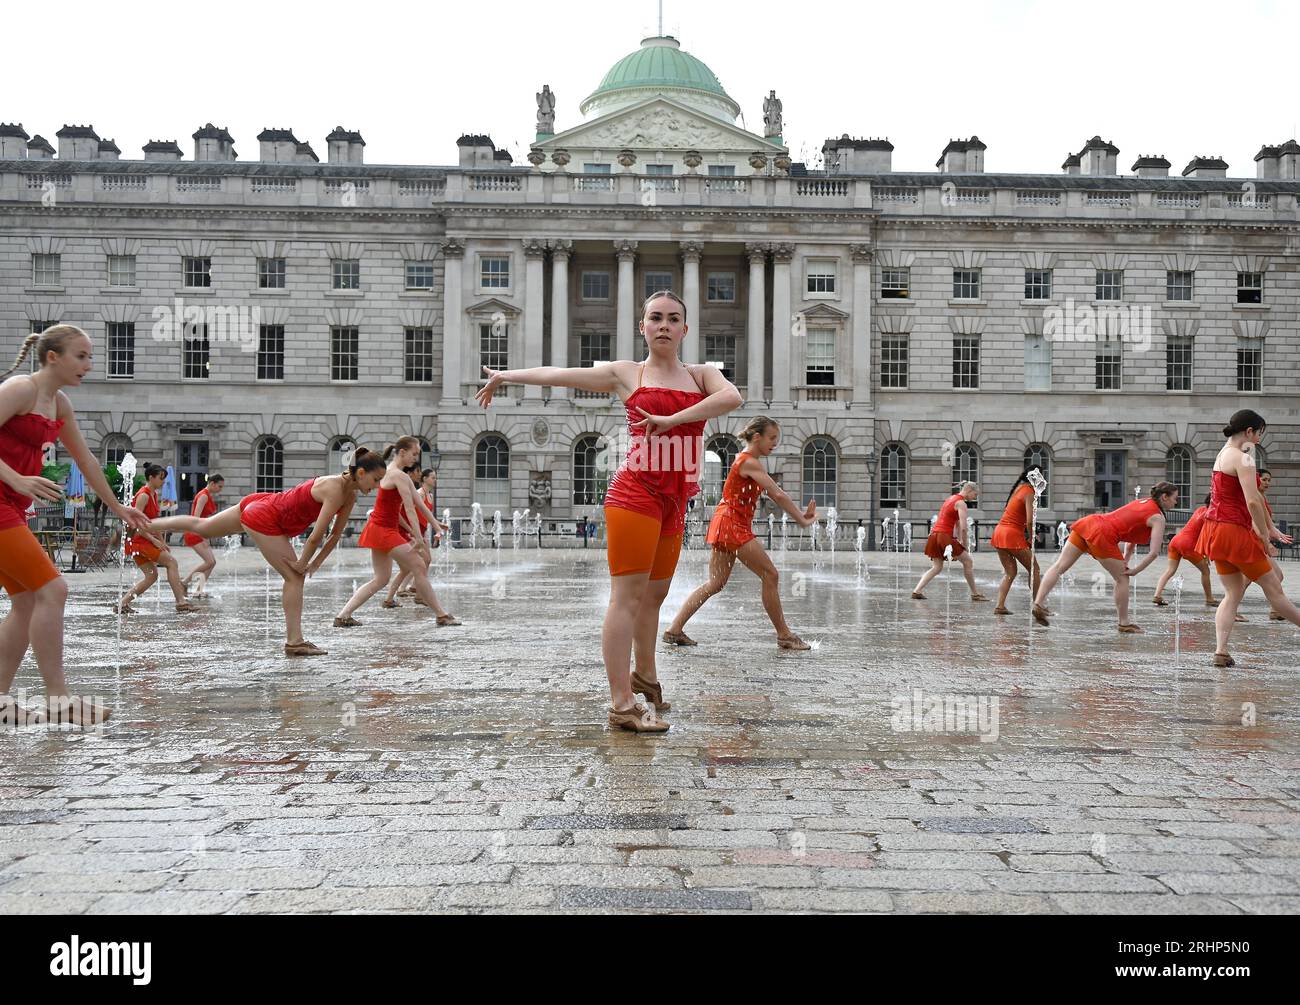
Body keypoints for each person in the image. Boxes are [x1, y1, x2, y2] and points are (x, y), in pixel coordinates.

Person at [475, 290, 743, 732]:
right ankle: (621, 703)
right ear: (642, 327)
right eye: (655, 318)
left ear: (684, 329)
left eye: (673, 319)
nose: (663, 325)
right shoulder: (626, 373)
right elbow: (561, 375)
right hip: (634, 493)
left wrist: (672, 422)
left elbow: (732, 398)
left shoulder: (701, 376)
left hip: (676, 498)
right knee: (626, 599)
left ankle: (646, 676)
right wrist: (506, 376)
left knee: (654, 598)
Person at [0, 324, 151, 724]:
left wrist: (121, 508)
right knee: (54, 587)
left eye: (89, 356)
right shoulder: (20, 389)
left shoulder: (59, 403)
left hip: (12, 505)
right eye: (81, 356)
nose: (88, 364)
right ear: (53, 357)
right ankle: (58, 699)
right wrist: (15, 478)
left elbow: (85, 460)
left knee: (27, 599)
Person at [150, 450, 386, 655]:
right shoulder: (334, 488)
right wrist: (303, 563)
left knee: (203, 526)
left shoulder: (349, 495)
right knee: (294, 577)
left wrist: (314, 564)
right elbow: (316, 536)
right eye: (375, 480)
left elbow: (334, 535)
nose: (376, 488)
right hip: (266, 516)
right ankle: (294, 642)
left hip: (265, 505)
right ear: (361, 473)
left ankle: (146, 525)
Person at [663, 416, 817, 651]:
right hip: (733, 524)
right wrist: (801, 518)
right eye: (772, 438)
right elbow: (777, 494)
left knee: (715, 583)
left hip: (725, 522)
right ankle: (784, 635)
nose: (775, 443)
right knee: (770, 575)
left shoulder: (747, 461)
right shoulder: (749, 461)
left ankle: (674, 629)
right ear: (757, 437)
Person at [1194, 410, 1300, 666]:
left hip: (1214, 530)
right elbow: (1253, 500)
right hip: (1234, 531)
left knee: (1232, 593)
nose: (1260, 440)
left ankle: (1220, 651)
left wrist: (1271, 528)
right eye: (1260, 433)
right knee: (1275, 588)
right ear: (1249, 432)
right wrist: (1264, 536)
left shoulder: (1222, 454)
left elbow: (1251, 499)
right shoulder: (1244, 459)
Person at [334, 438, 459, 627]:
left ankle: (343, 616)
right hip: (384, 530)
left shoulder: (396, 474)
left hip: (380, 529)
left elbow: (419, 505)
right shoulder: (397, 475)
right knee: (418, 565)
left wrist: (436, 524)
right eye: (414, 453)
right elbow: (409, 508)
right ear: (402, 452)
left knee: (381, 579)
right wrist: (418, 537)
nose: (416, 457)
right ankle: (441, 615)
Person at [1033, 482, 1179, 633]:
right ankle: (1124, 623)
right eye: (1175, 498)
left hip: (1090, 522)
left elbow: (1132, 539)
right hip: (1103, 533)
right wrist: (1134, 570)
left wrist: (1126, 561)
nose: (1176, 502)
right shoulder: (1158, 518)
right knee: (1123, 579)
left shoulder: (1143, 502)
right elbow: (1154, 552)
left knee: (1059, 566)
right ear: (1164, 497)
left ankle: (1038, 603)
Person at [114, 462, 201, 615]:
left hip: (141, 541)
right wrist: (154, 540)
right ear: (151, 477)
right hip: (140, 541)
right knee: (172, 563)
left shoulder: (153, 494)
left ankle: (122, 604)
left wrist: (162, 541)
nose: (163, 481)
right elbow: (135, 524)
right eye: (161, 478)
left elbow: (154, 522)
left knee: (151, 576)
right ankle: (181, 602)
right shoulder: (143, 495)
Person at [911, 482, 988, 602]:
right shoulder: (961, 503)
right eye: (975, 494)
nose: (975, 497)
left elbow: (956, 524)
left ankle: (917, 590)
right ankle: (975, 594)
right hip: (943, 536)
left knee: (937, 567)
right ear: (969, 490)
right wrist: (965, 544)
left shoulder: (951, 499)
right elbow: (963, 527)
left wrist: (959, 540)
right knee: (968, 561)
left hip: (934, 535)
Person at [990, 467, 1045, 615]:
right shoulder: (1030, 493)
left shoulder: (1019, 488)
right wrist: (1033, 536)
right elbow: (1029, 521)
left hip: (999, 532)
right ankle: (1038, 606)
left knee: (1010, 572)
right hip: (1011, 535)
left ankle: (1000, 606)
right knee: (1035, 569)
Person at [1151, 495, 1220, 608]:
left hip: (1175, 541)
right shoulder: (1210, 515)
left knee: (1170, 570)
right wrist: (1205, 553)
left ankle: (1157, 595)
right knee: (1206, 571)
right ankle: (1209, 599)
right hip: (1187, 544)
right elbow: (1206, 535)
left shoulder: (1200, 509)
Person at [1258, 469, 1293, 621]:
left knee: (1276, 576)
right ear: (1256, 479)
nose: (1267, 483)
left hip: (1259, 542)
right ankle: (1276, 610)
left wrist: (1277, 534)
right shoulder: (1254, 497)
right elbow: (1253, 522)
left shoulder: (1261, 497)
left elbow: (1267, 524)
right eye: (1264, 479)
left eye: (1269, 480)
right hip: (1255, 543)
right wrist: (1267, 543)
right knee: (1276, 576)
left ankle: (1275, 610)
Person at [181, 472, 225, 594]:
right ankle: (185, 582)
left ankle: (199, 590)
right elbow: (196, 518)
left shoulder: (207, 495)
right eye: (219, 486)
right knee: (210, 562)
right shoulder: (204, 496)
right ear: (212, 483)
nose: (221, 489)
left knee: (211, 563)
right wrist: (203, 536)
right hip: (195, 533)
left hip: (199, 532)